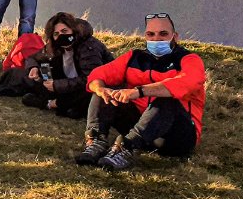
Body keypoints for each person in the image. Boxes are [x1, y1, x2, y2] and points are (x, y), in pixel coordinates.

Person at [74, 13, 206, 171]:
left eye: (163, 34)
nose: (156, 39)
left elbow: (185, 83)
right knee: (106, 91)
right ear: (145, 36)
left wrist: (139, 91)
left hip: (176, 136)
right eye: (151, 34)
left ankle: (126, 148)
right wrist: (101, 88)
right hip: (140, 124)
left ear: (175, 36)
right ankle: (96, 141)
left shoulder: (189, 60)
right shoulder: (134, 57)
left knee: (168, 99)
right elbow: (98, 75)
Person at [17, 12, 113, 119]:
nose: (61, 36)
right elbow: (33, 58)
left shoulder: (89, 47)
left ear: (73, 30)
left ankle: (52, 104)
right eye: (56, 34)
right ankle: (60, 104)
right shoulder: (55, 46)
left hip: (95, 88)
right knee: (31, 78)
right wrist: (33, 68)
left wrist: (57, 85)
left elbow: (91, 79)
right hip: (68, 85)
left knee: (86, 94)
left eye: (64, 31)